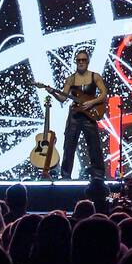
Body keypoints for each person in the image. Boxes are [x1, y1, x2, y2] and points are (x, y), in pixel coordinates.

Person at [42, 50, 108, 181]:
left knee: (94, 145)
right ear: (76, 62)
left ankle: (98, 175)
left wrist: (91, 102)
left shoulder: (95, 76)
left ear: (87, 62)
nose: (81, 62)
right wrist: (52, 92)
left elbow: (104, 94)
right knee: (69, 145)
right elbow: (62, 98)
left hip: (89, 114)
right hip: (75, 115)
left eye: (84, 60)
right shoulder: (71, 79)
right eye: (79, 60)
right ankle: (65, 175)